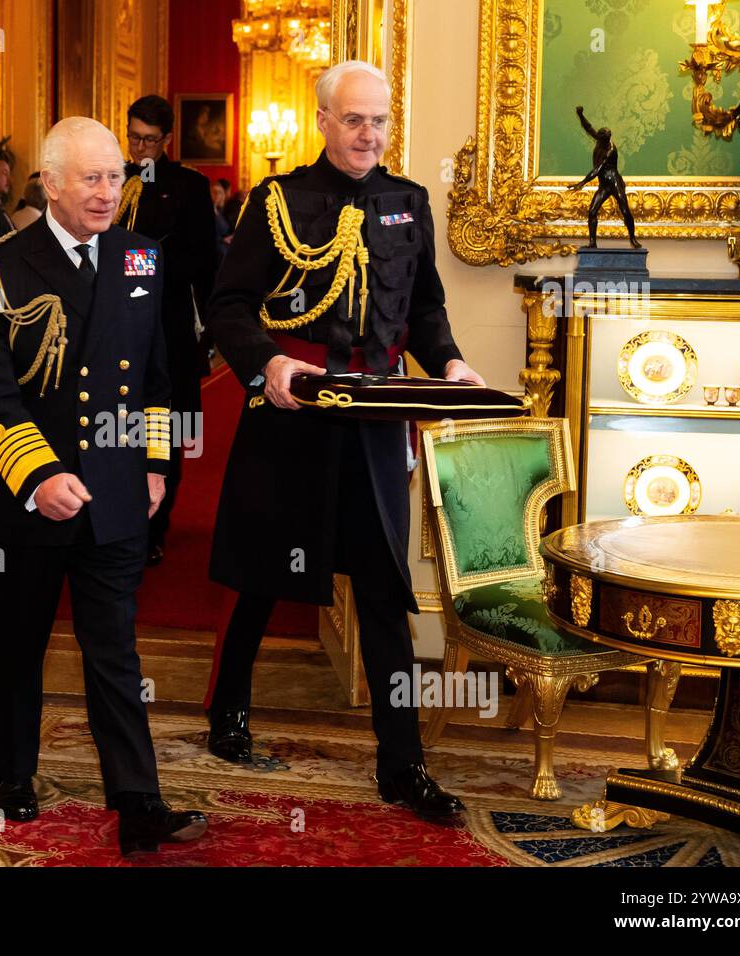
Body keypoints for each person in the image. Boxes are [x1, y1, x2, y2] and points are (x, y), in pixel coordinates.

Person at [204, 61, 484, 821]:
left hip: (375, 416)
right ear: (323, 121)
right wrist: (266, 363)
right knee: (263, 575)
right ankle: (227, 709)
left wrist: (451, 362)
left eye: (380, 121)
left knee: (383, 589)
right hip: (293, 409)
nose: (368, 134)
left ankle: (403, 767)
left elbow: (424, 309)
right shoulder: (279, 201)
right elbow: (229, 306)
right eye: (354, 120)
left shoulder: (408, 204)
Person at [0, 116, 207, 856]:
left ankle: (137, 801)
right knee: (19, 643)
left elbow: (159, 375)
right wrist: (40, 477)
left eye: (117, 176)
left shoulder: (142, 257)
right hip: (32, 495)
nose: (109, 192)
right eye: (93, 178)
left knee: (116, 653)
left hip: (117, 492)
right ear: (51, 183)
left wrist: (159, 464)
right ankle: (13, 776)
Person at [116, 94, 217, 566]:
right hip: (114, 329)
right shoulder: (110, 178)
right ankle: (118, 521)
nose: (140, 148)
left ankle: (155, 527)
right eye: (134, 137)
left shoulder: (188, 187)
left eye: (150, 141)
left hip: (168, 329)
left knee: (165, 432)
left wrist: (211, 332)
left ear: (168, 140)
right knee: (115, 430)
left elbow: (203, 263)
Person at [569, 106, 640, 249]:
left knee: (625, 210)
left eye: (607, 139)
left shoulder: (610, 150)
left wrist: (582, 182)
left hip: (614, 182)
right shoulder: (600, 140)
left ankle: (633, 238)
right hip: (604, 185)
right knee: (592, 211)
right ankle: (592, 242)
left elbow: (598, 169)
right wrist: (581, 115)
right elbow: (588, 128)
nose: (605, 141)